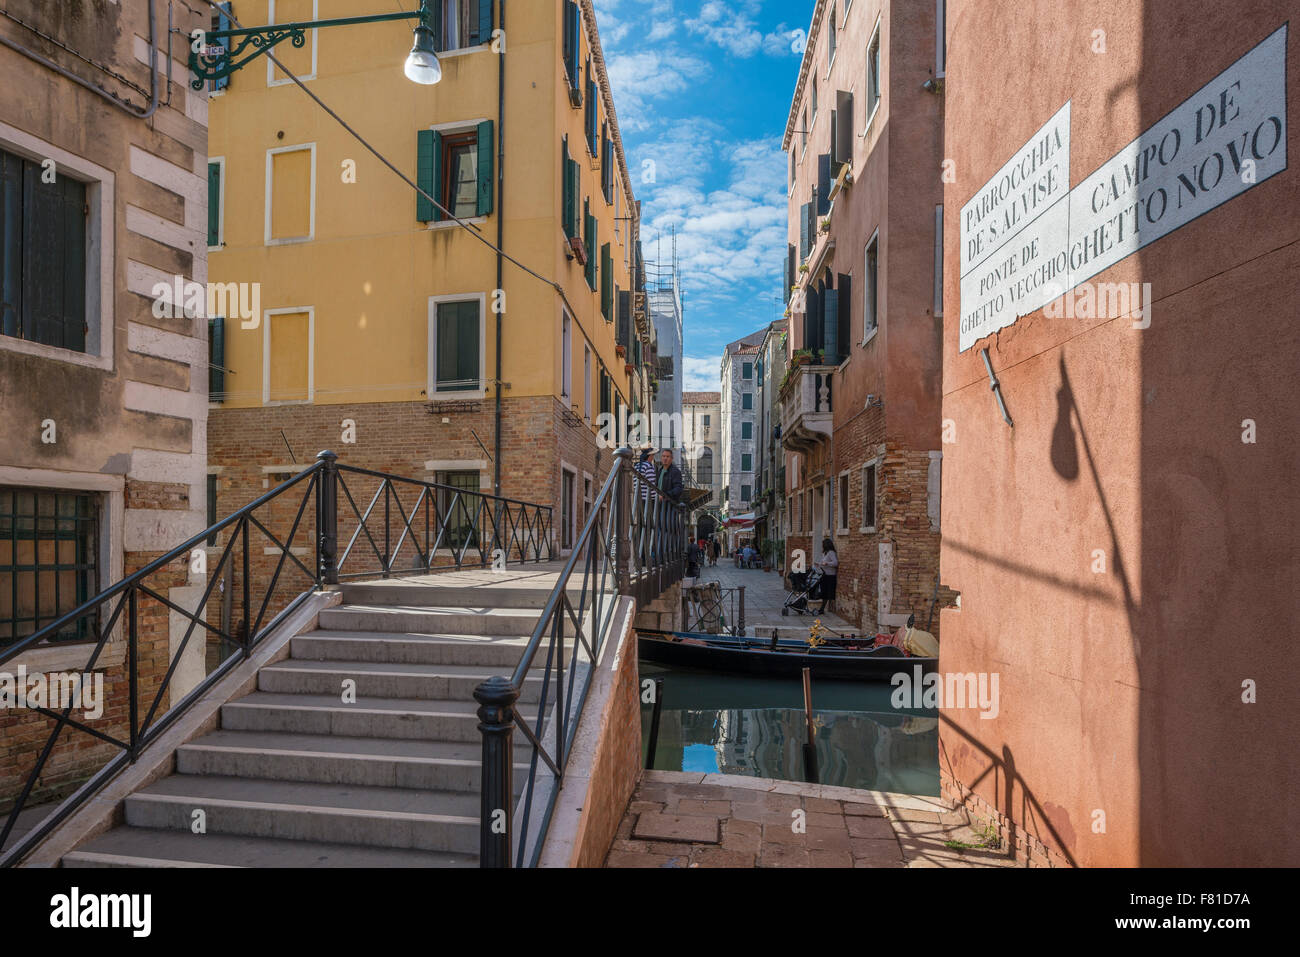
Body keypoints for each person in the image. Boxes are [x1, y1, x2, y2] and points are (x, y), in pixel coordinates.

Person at [814, 537, 838, 611]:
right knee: (824, 592)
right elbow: (823, 564)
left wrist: (827, 563)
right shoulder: (825, 553)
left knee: (827, 593)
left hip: (830, 576)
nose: (822, 546)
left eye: (823, 544)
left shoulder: (831, 552)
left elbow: (835, 563)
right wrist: (819, 564)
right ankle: (822, 608)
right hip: (825, 575)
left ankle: (822, 609)